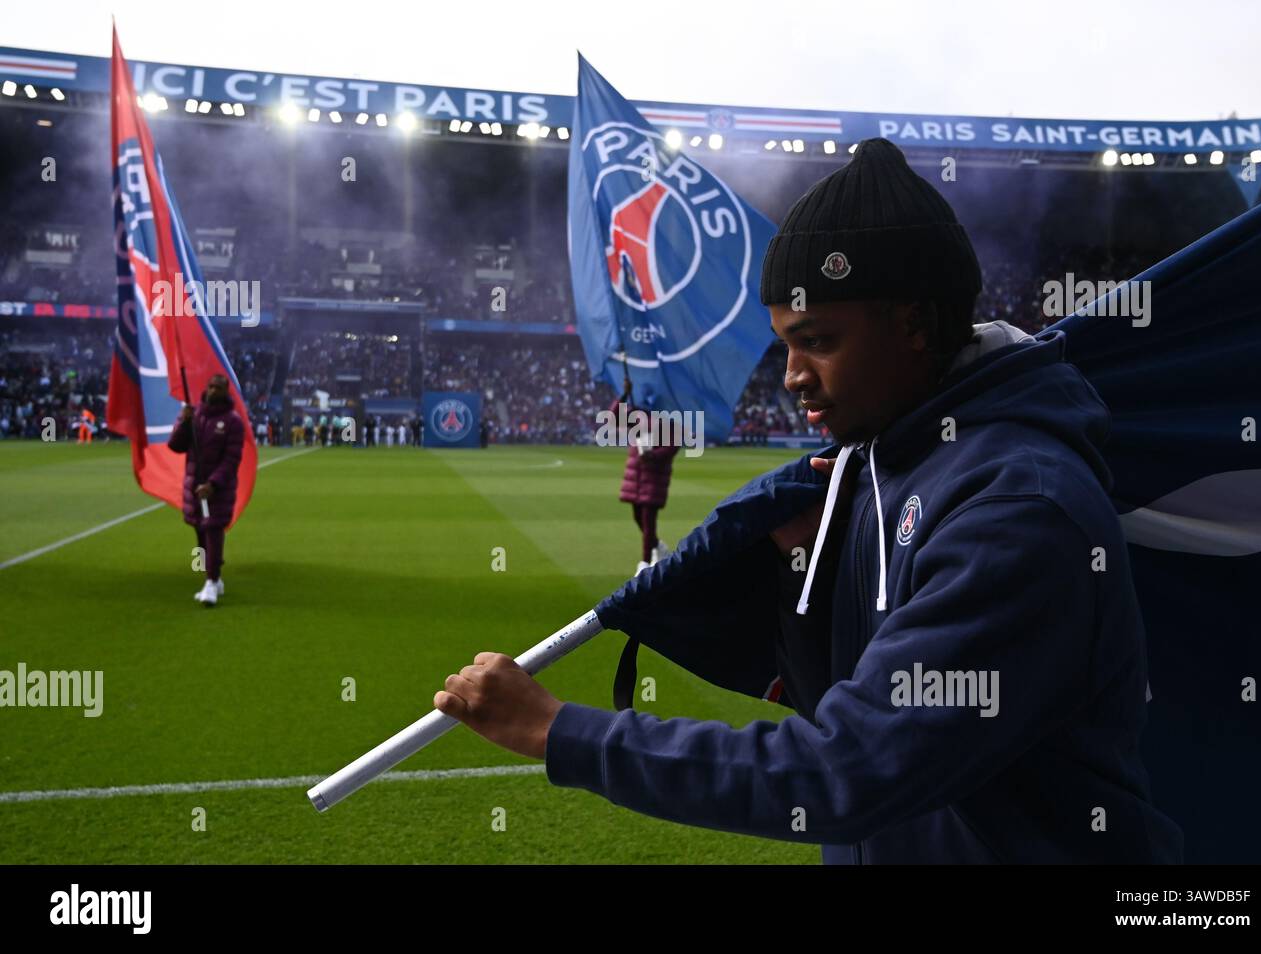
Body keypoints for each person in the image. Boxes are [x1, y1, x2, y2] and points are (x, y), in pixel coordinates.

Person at [432, 138, 1184, 864]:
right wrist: (799, 575)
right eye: (784, 345)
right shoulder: (874, 468)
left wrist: (560, 731)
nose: (791, 375)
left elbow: (849, 769)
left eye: (816, 340)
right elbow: (849, 705)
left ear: (914, 324)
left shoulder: (1018, 508)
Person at [168, 373, 245, 607]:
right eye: (210, 386)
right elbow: (175, 445)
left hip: (217, 489)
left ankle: (211, 582)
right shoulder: (196, 415)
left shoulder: (233, 421)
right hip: (195, 486)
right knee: (200, 531)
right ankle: (214, 577)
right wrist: (183, 421)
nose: (213, 391)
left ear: (226, 391)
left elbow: (232, 459)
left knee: (213, 530)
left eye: (218, 388)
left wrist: (213, 484)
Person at [612, 384, 678, 572]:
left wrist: (653, 456)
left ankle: (645, 564)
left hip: (654, 475)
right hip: (636, 475)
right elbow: (615, 417)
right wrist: (624, 394)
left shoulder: (671, 418)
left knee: (648, 520)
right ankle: (659, 547)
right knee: (637, 517)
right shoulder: (639, 413)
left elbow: (672, 446)